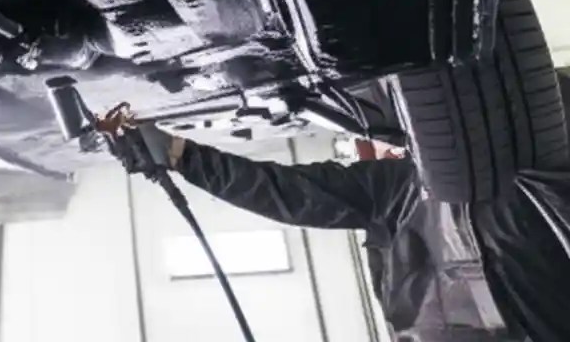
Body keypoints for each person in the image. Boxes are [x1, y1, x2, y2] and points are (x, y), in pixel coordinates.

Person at [132, 122, 570, 342]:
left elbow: (290, 195)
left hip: (439, 201)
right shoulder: (395, 197)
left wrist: (181, 157)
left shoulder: (393, 197)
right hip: (536, 182)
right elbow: (291, 195)